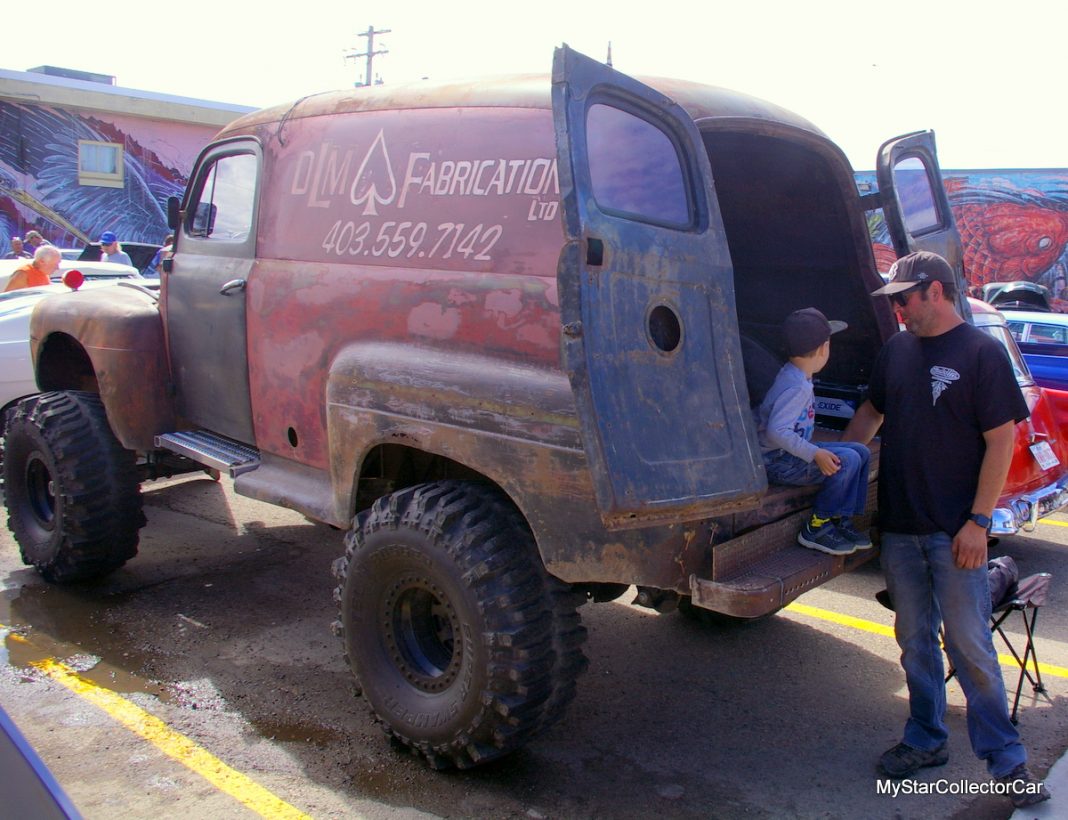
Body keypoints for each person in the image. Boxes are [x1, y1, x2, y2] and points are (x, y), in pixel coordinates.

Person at [844, 251, 1050, 808]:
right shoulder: (897, 350)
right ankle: (925, 739)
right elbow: (871, 413)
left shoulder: (981, 353)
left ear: (936, 291)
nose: (899, 309)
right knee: (914, 644)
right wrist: (838, 463)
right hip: (902, 528)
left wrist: (979, 523)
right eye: (894, 300)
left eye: (904, 298)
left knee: (971, 646)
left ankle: (1007, 763)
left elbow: (1002, 441)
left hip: (957, 530)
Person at [755, 307, 873, 555]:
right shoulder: (796, 386)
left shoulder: (796, 375)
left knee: (860, 452)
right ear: (823, 349)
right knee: (848, 461)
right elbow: (777, 431)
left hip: (786, 455)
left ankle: (841, 518)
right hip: (777, 462)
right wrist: (814, 453)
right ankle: (817, 526)